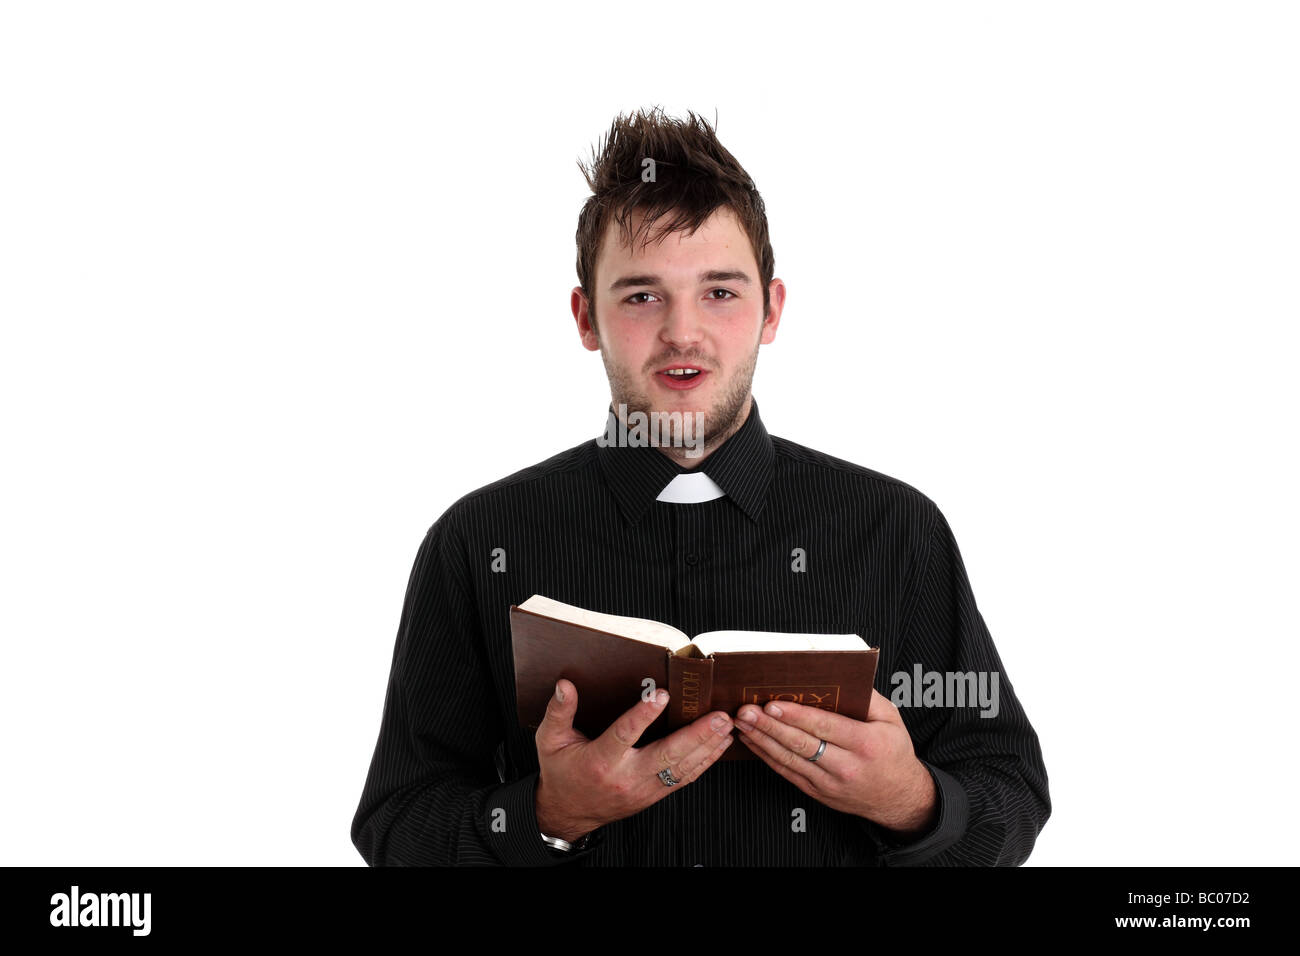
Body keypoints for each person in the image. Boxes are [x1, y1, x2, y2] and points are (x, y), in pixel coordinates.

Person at [350, 108, 1050, 866]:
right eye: (642, 296)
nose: (683, 333)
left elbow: (1011, 795)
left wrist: (910, 800)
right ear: (586, 317)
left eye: (719, 292)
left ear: (771, 310)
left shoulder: (896, 530)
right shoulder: (478, 540)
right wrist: (549, 815)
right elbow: (396, 826)